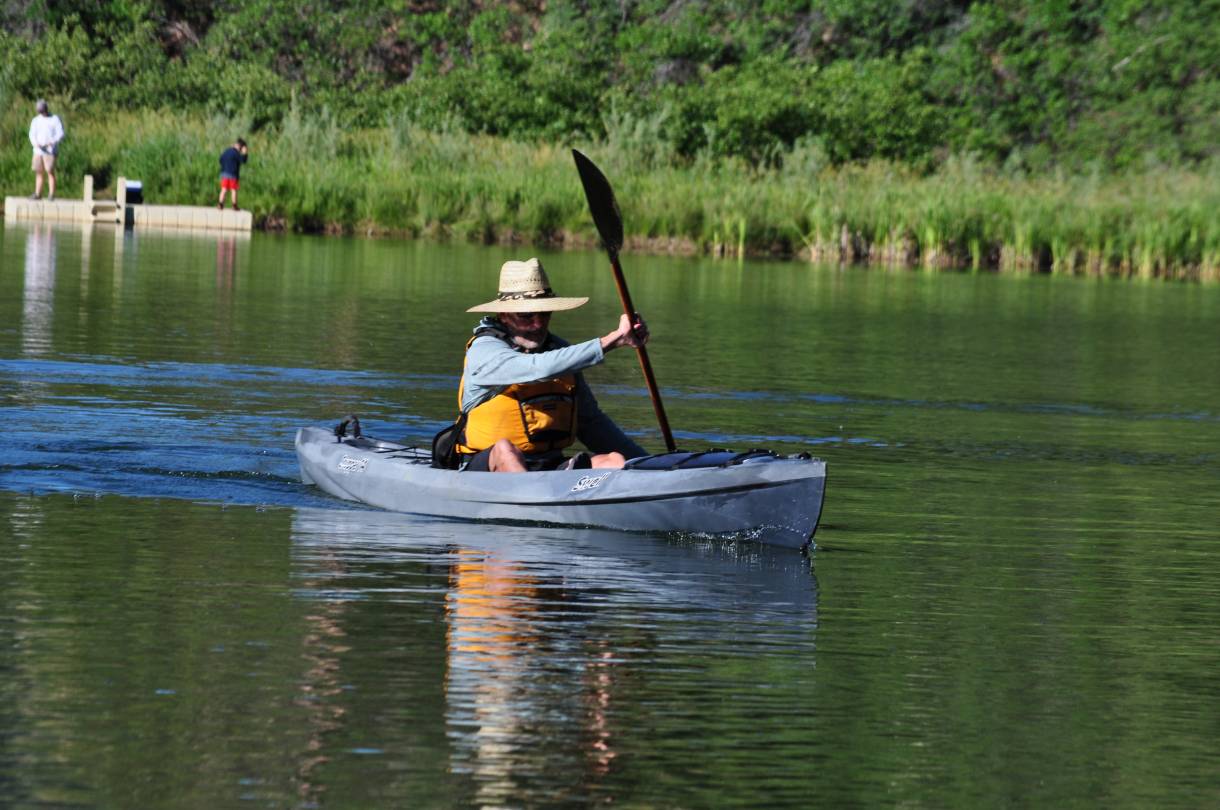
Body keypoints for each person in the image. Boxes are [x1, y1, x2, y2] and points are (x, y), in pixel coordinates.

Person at [451, 257, 650, 472]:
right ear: (504, 315)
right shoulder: (484, 351)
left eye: (545, 313)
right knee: (505, 450)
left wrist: (650, 465)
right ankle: (531, 502)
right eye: (526, 315)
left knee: (615, 461)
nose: (538, 323)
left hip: (548, 468)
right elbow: (537, 368)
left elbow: (590, 423)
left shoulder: (558, 351)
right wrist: (614, 340)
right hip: (484, 467)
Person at [28, 99, 65, 201]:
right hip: (38, 151)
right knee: (39, 172)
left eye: (42, 109)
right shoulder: (35, 120)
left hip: (50, 151)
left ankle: (51, 194)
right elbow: (31, 134)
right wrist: (35, 144)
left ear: (46, 108)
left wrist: (51, 142)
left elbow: (61, 134)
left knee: (50, 171)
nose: (41, 111)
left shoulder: (54, 119)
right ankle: (37, 193)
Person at [217, 138, 249, 210]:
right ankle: (234, 206)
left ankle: (220, 204)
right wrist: (245, 153)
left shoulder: (227, 151)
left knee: (224, 189)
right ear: (240, 146)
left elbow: (220, 159)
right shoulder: (237, 153)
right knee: (233, 190)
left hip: (224, 173)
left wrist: (225, 167)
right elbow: (243, 161)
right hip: (233, 175)